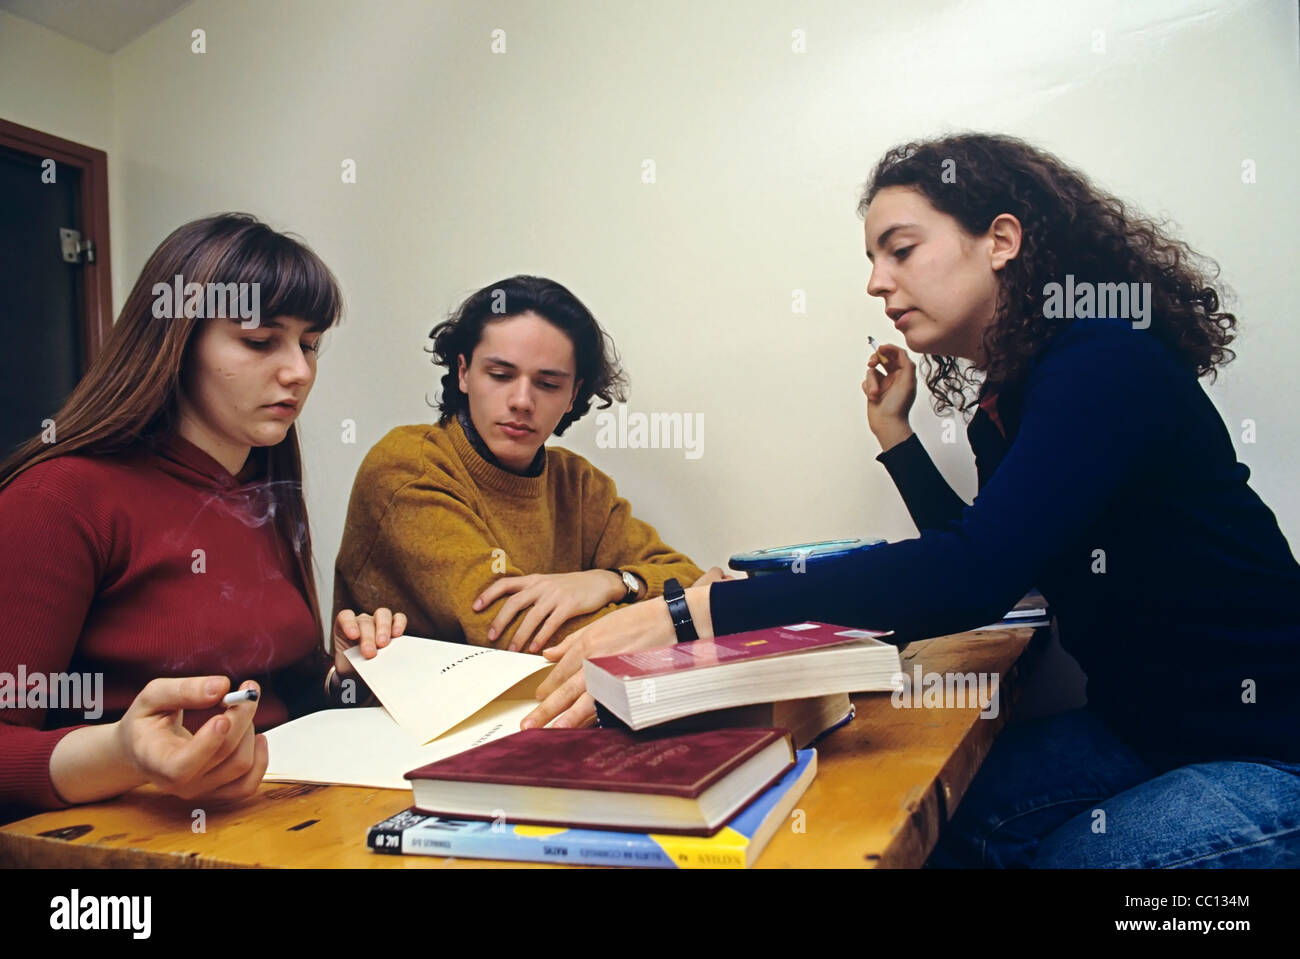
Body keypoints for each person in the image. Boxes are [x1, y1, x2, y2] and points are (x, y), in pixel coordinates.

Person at [521, 133, 1300, 867]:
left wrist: (689, 613)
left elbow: (971, 574)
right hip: (1151, 730)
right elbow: (995, 561)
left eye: (900, 249)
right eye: (871, 259)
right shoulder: (1016, 393)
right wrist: (895, 433)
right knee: (945, 821)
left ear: (1000, 240)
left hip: (1267, 745)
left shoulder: (1103, 360)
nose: (875, 282)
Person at [0, 213, 402, 822]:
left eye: (310, 343)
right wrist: (123, 752)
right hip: (128, 840)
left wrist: (344, 677)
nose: (298, 370)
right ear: (177, 341)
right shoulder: (60, 498)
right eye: (260, 340)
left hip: (279, 812)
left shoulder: (262, 486)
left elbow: (274, 691)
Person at [334, 275, 717, 671]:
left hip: (545, 712)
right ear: (463, 373)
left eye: (547, 384)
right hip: (405, 723)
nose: (521, 401)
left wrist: (611, 581)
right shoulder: (408, 467)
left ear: (572, 395)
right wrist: (684, 619)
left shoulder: (578, 483)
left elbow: (686, 575)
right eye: (500, 375)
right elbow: (517, 631)